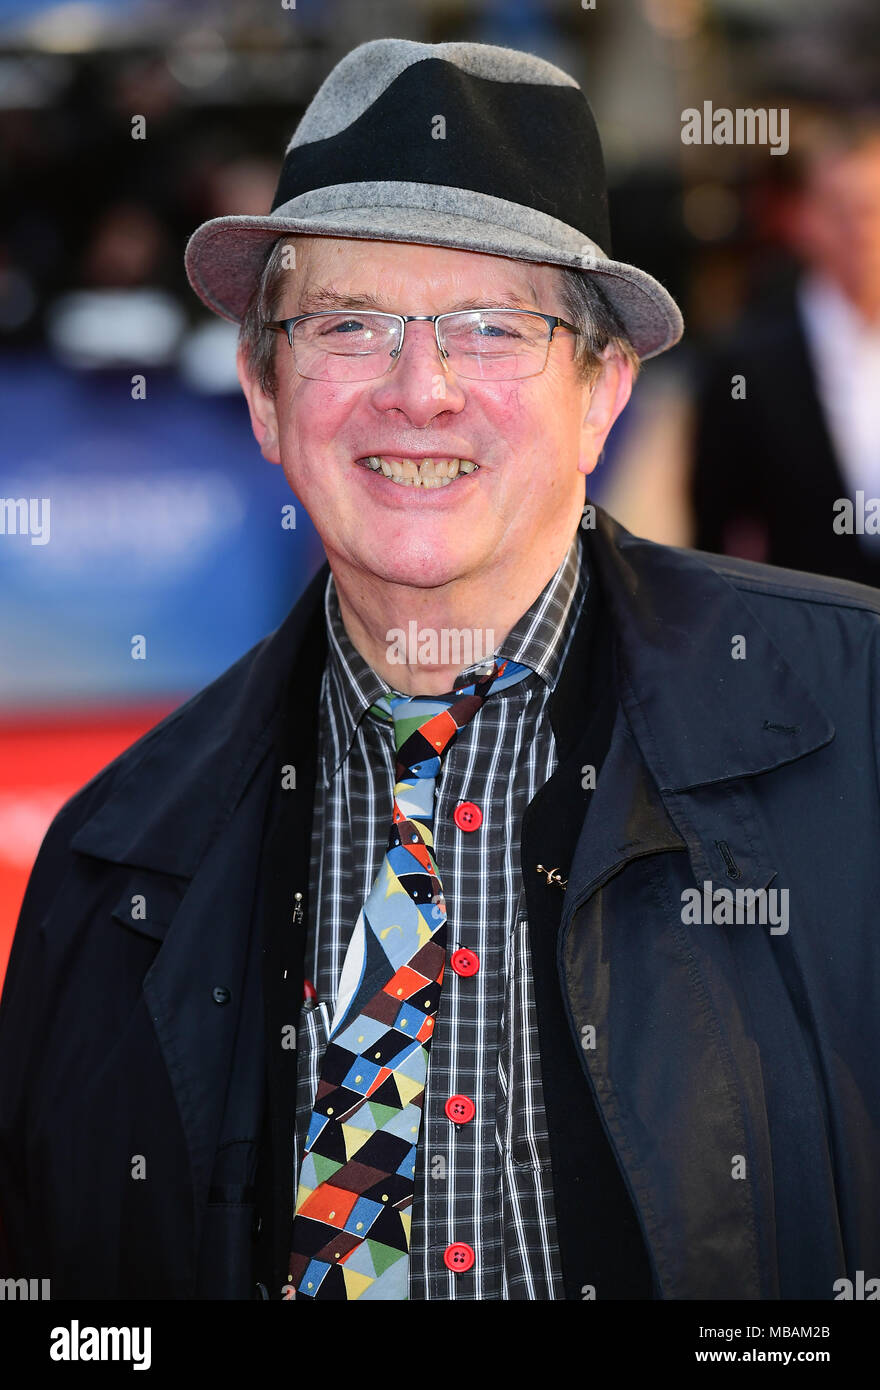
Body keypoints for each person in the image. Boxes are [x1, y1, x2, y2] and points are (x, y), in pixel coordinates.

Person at [0, 37, 877, 1302]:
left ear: (603, 391)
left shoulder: (855, 721)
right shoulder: (112, 858)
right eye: (348, 323)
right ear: (264, 386)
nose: (421, 390)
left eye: (490, 325)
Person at [692, 118, 880, 584]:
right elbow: (716, 528)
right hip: (810, 630)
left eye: (874, 209)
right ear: (806, 220)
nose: (860, 231)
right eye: (841, 210)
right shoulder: (746, 362)